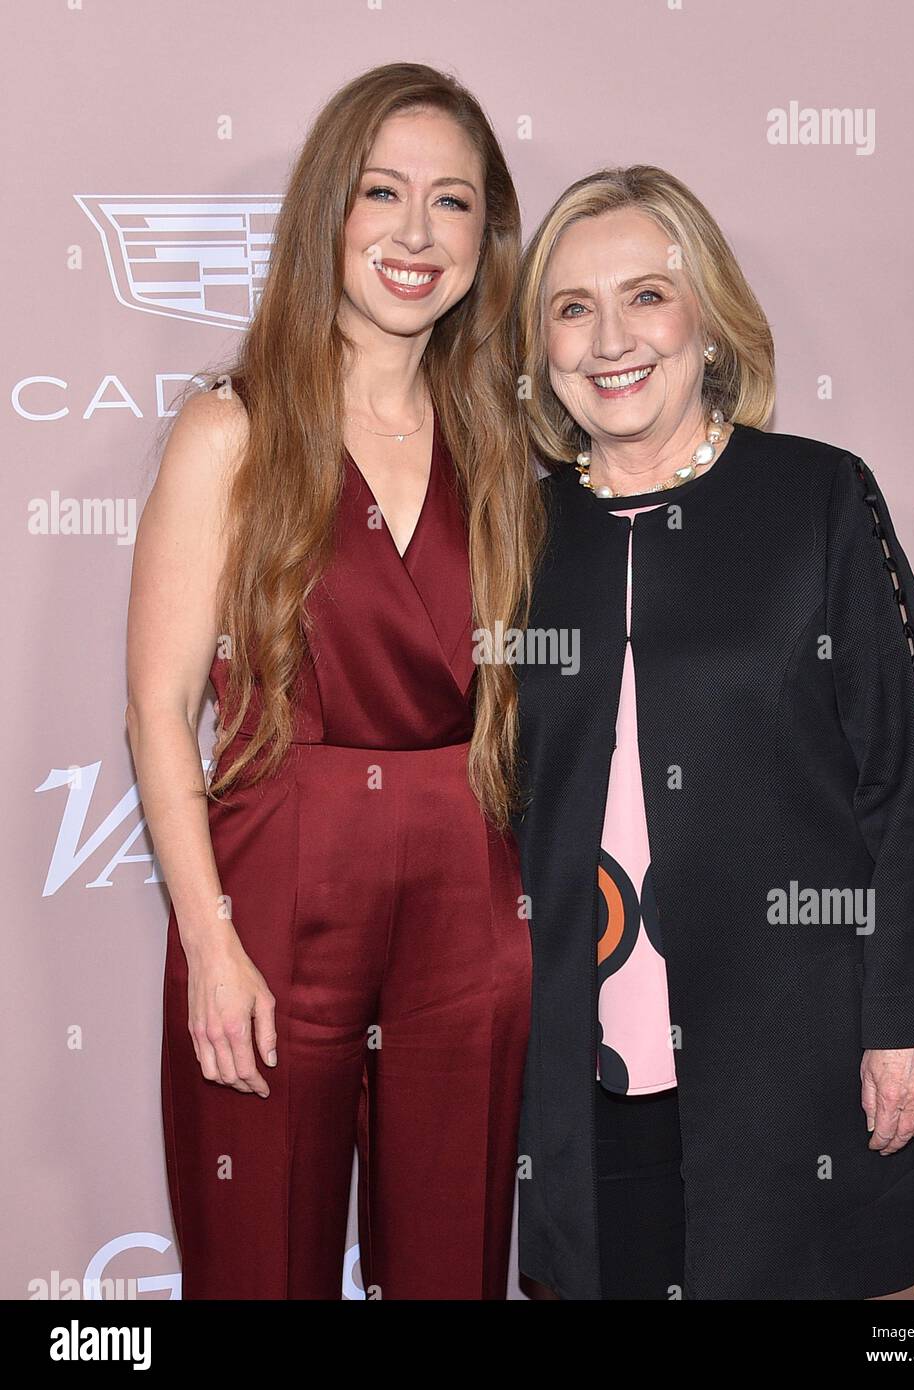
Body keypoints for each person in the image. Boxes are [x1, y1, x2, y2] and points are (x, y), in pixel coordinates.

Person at [510, 165, 914, 1300]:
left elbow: (902, 778)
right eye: (572, 307)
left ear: (707, 321)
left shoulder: (816, 499)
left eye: (646, 296)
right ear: (539, 348)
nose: (610, 338)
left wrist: (908, 1023)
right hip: (582, 1076)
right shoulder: (514, 531)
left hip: (801, 1056)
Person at [125, 63, 543, 1300]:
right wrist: (210, 940)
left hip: (470, 899)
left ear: (487, 233)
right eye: (383, 192)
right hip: (272, 891)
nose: (417, 235)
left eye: (453, 202)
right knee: (262, 1268)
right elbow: (157, 710)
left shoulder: (509, 444)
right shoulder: (233, 429)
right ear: (329, 213)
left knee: (452, 1266)